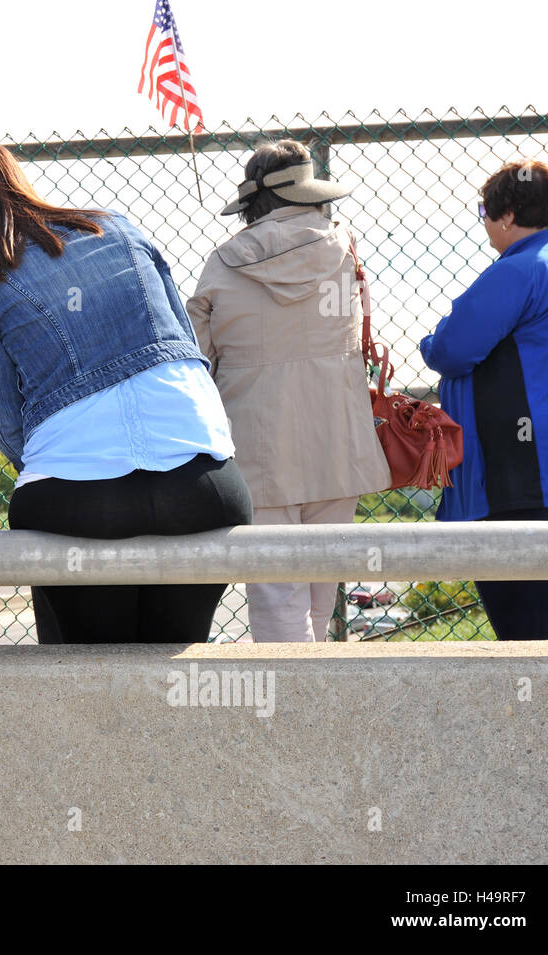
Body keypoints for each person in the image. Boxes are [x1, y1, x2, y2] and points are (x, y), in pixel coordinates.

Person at [0, 108, 251, 644]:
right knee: (177, 656)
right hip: (206, 483)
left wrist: (51, 466)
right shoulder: (117, 227)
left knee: (86, 668)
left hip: (78, 498)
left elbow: (1, 413)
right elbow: (187, 346)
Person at [186, 140, 390, 643]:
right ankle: (316, 685)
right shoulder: (344, 248)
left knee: (276, 592)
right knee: (325, 583)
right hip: (339, 439)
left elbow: (197, 354)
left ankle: (287, 688)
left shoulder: (223, 262)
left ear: (251, 200)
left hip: (258, 445)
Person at [420, 159, 548, 640]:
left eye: (485, 211)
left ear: (507, 215)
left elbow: (450, 349)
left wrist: (431, 339)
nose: (485, 221)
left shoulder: (519, 270)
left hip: (526, 481)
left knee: (534, 636)